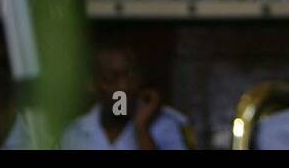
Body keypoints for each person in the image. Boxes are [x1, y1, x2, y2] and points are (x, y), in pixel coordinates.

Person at [59, 45, 192, 150]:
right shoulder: (75, 133)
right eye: (111, 78)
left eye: (130, 76)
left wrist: (141, 129)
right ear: (93, 84)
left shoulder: (166, 126)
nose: (123, 87)